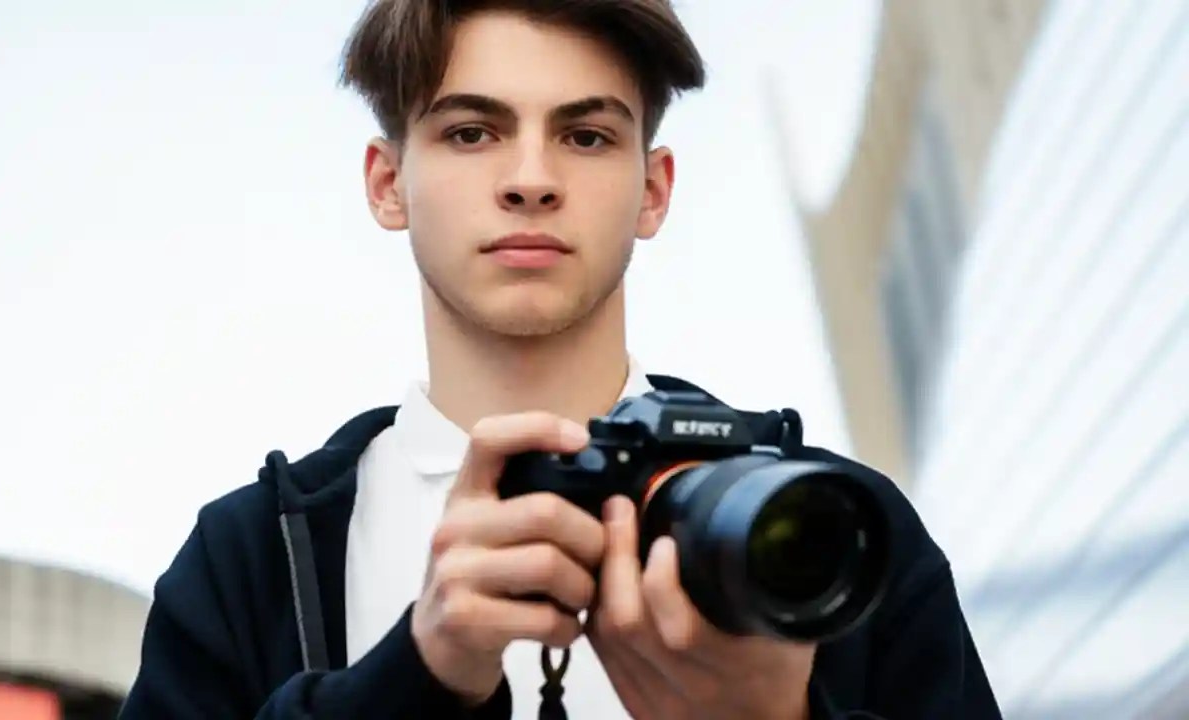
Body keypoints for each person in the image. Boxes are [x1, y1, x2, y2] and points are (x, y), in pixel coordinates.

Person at [118, 1, 1002, 718]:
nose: (531, 179)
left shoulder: (841, 528)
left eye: (586, 137)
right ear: (388, 184)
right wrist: (417, 675)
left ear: (653, 190)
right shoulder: (247, 559)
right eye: (472, 132)